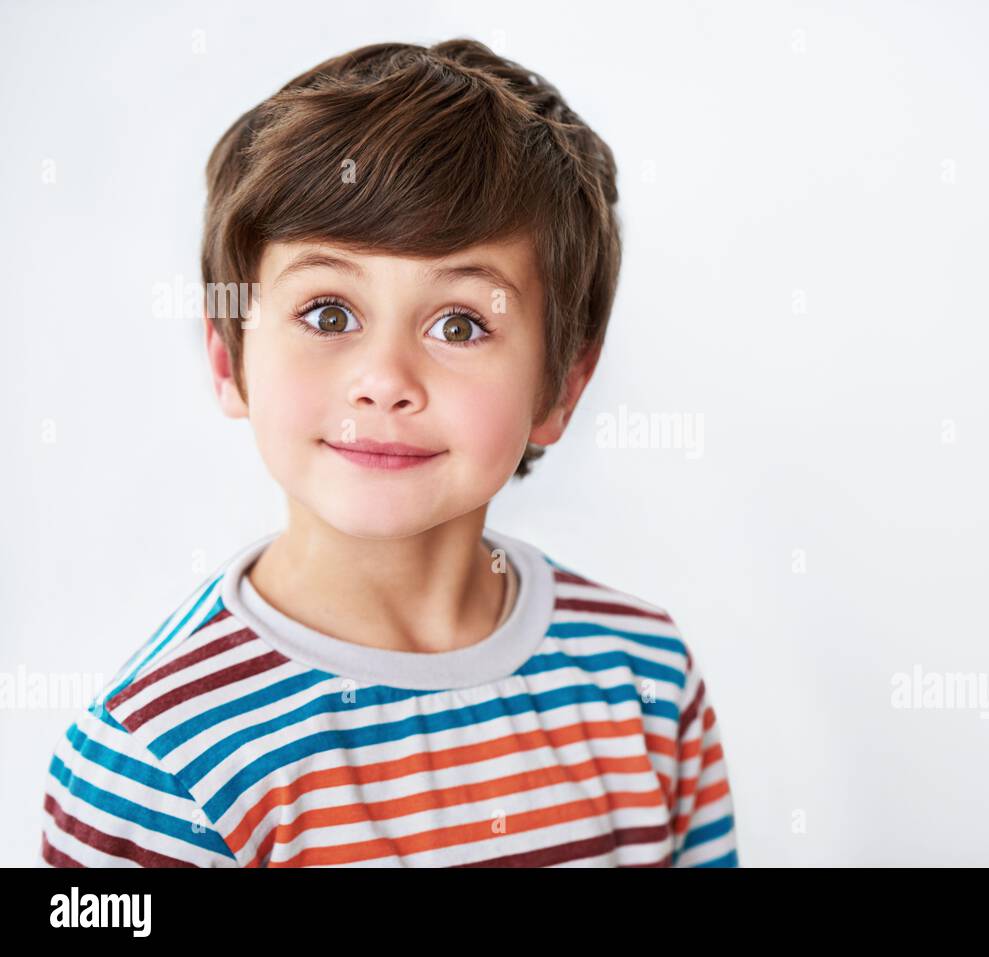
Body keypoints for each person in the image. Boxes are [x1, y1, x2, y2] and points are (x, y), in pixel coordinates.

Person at [38, 38, 737, 868]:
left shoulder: (646, 677)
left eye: (461, 324)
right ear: (229, 359)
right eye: (329, 313)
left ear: (561, 388)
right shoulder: (158, 759)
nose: (384, 380)